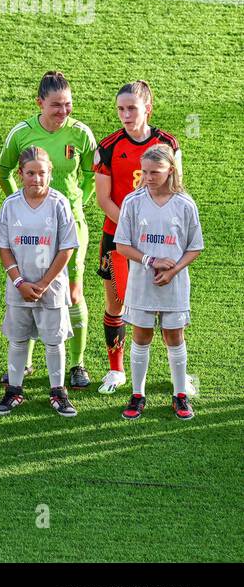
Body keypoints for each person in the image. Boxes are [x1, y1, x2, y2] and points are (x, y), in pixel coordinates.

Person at [0, 71, 97, 387]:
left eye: (68, 104)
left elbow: (94, 174)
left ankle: (77, 365)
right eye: (56, 105)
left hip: (70, 227)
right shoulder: (22, 133)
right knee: (28, 285)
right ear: (39, 102)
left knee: (72, 291)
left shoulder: (81, 134)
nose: (63, 112)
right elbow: (3, 172)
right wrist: (22, 204)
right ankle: (24, 364)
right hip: (31, 229)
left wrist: (78, 203)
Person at [93, 81, 183, 395]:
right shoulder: (108, 146)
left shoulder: (167, 142)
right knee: (116, 303)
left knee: (165, 307)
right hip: (118, 239)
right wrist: (133, 230)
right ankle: (116, 370)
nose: (126, 115)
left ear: (148, 106)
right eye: (121, 109)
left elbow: (177, 191)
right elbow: (103, 200)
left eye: (132, 107)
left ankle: (174, 372)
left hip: (162, 241)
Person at [113, 144, 203, 420]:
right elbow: (121, 246)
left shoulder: (185, 204)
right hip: (142, 283)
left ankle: (180, 394)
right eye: (144, 172)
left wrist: (173, 270)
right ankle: (138, 394)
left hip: (173, 284)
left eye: (155, 172)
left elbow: (195, 247)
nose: (148, 178)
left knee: (174, 337)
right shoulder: (132, 202)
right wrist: (151, 261)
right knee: (141, 336)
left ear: (170, 171)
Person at [0, 147, 80, 416]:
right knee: (18, 341)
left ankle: (58, 392)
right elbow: (4, 247)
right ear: (20, 174)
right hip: (19, 288)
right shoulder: (10, 205)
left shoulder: (59, 203)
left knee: (54, 342)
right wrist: (19, 282)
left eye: (42, 173)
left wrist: (43, 283)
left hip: (50, 289)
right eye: (30, 173)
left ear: (50, 173)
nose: (36, 179)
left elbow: (67, 248)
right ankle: (14, 391)